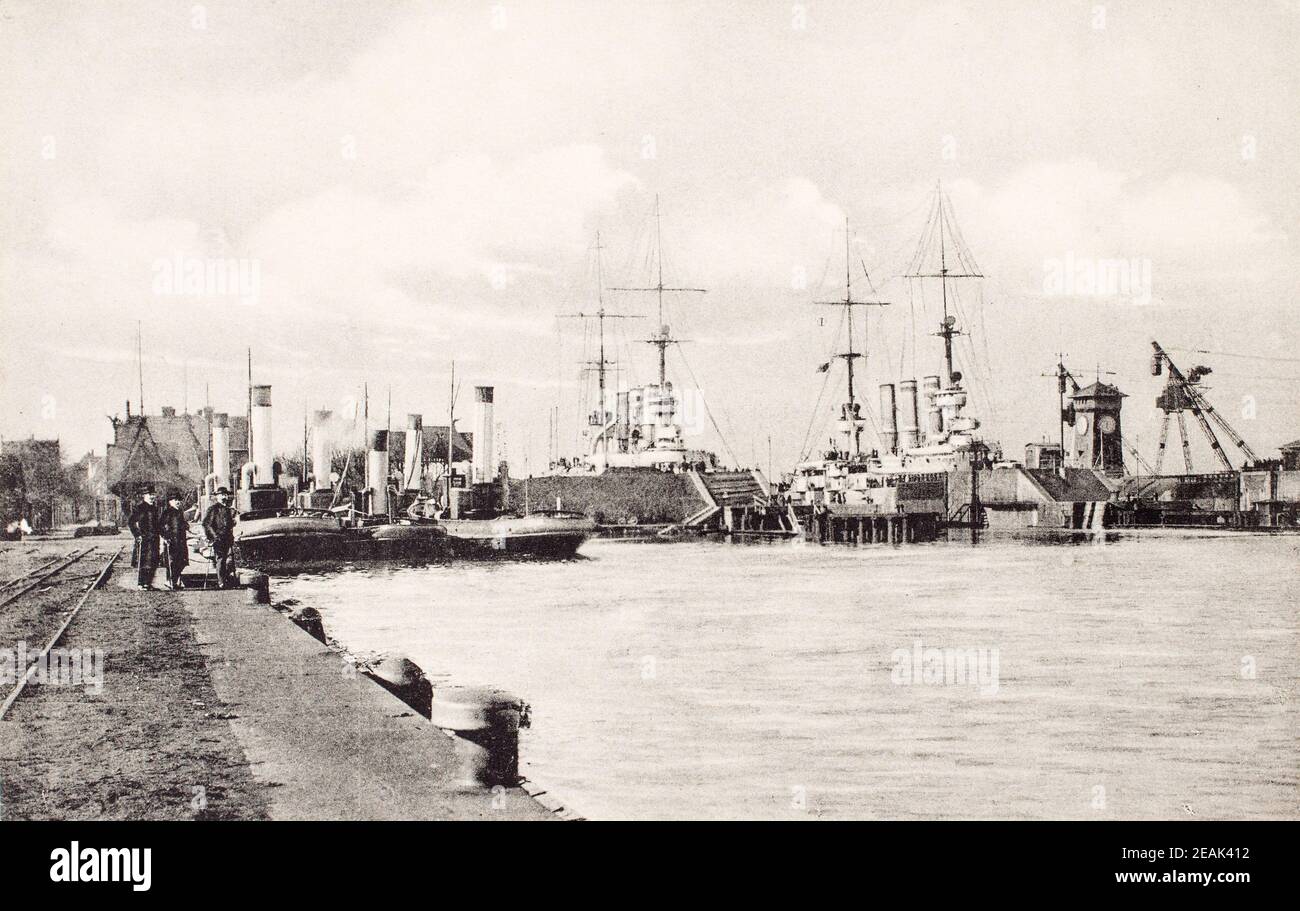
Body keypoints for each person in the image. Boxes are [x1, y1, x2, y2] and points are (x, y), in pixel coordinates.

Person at [202, 487, 238, 589]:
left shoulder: (227, 509)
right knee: (221, 559)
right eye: (221, 495)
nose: (224, 496)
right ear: (217, 497)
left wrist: (233, 523)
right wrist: (214, 537)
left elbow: (229, 525)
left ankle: (225, 579)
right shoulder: (213, 509)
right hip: (218, 538)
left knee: (228, 559)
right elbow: (206, 524)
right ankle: (221, 582)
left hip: (227, 538)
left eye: (225, 494)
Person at [127, 487, 161, 590]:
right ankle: (141, 583)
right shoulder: (140, 507)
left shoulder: (155, 508)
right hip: (144, 539)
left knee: (153, 561)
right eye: (149, 495)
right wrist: (137, 535)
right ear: (144, 496)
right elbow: (131, 522)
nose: (152, 497)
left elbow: (157, 525)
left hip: (155, 538)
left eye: (153, 494)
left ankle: (148, 584)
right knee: (144, 561)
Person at [159, 489, 189, 590]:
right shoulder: (167, 512)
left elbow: (181, 525)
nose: (178, 502)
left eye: (179, 500)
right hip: (171, 541)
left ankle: (173, 581)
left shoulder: (179, 512)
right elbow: (160, 526)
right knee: (172, 563)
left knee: (182, 562)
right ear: (170, 501)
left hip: (181, 541)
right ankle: (170, 581)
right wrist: (165, 537)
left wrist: (186, 525)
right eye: (175, 500)